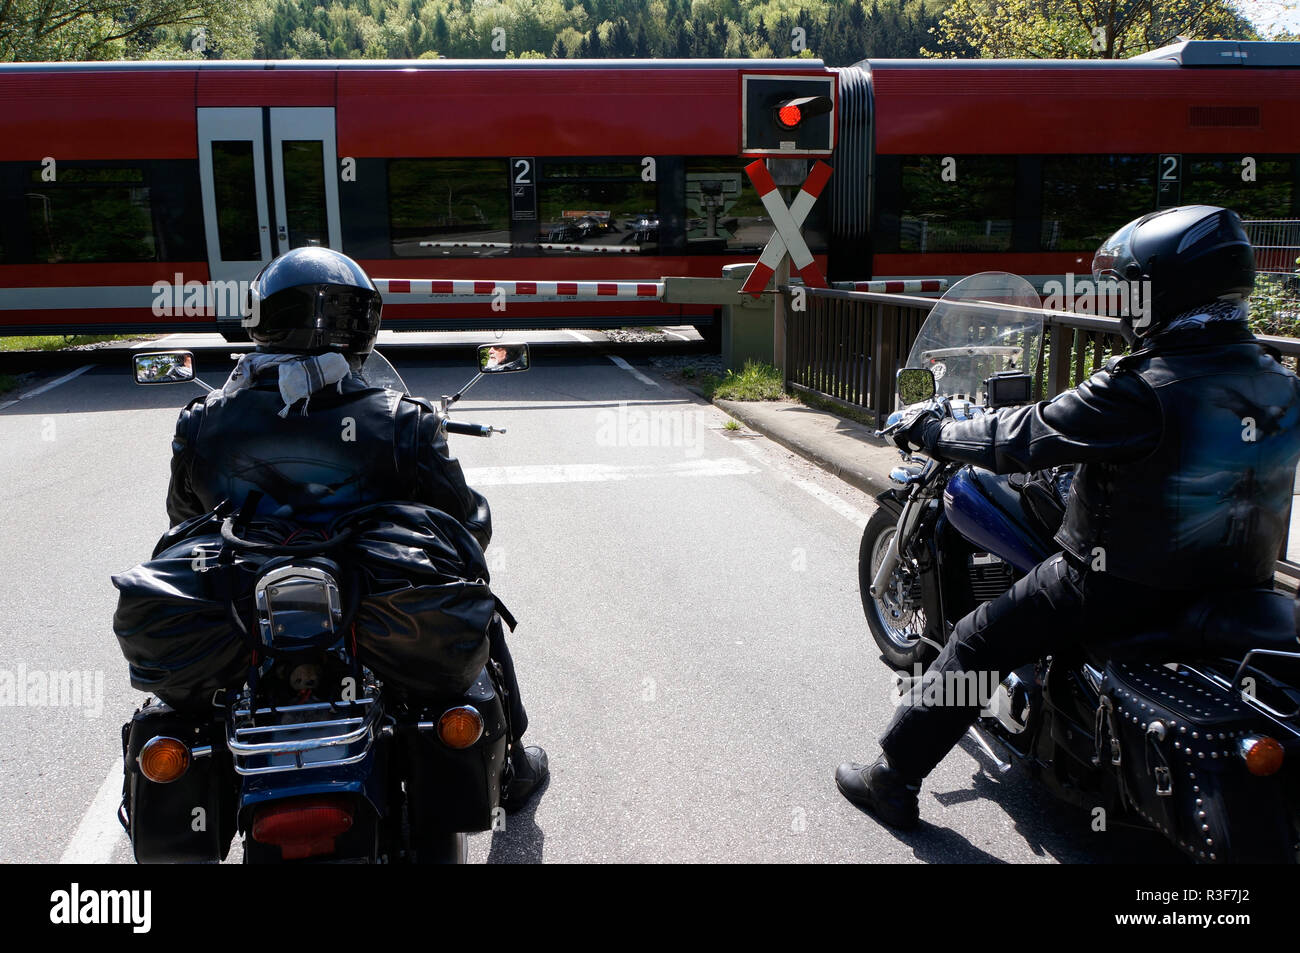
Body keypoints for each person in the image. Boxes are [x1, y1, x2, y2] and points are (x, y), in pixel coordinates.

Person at [835, 205, 1300, 829]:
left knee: (977, 641)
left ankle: (893, 780)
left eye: (1129, 286)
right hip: (1241, 584)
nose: (1119, 299)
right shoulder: (1279, 379)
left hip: (1115, 585)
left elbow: (1022, 436)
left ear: (1161, 292)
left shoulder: (1142, 385)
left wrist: (935, 425)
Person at [166, 246, 547, 810]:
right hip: (372, 611)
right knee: (476, 607)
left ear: (262, 319)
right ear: (364, 323)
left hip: (253, 616)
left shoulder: (203, 424)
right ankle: (512, 766)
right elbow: (461, 527)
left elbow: (185, 523)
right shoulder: (401, 422)